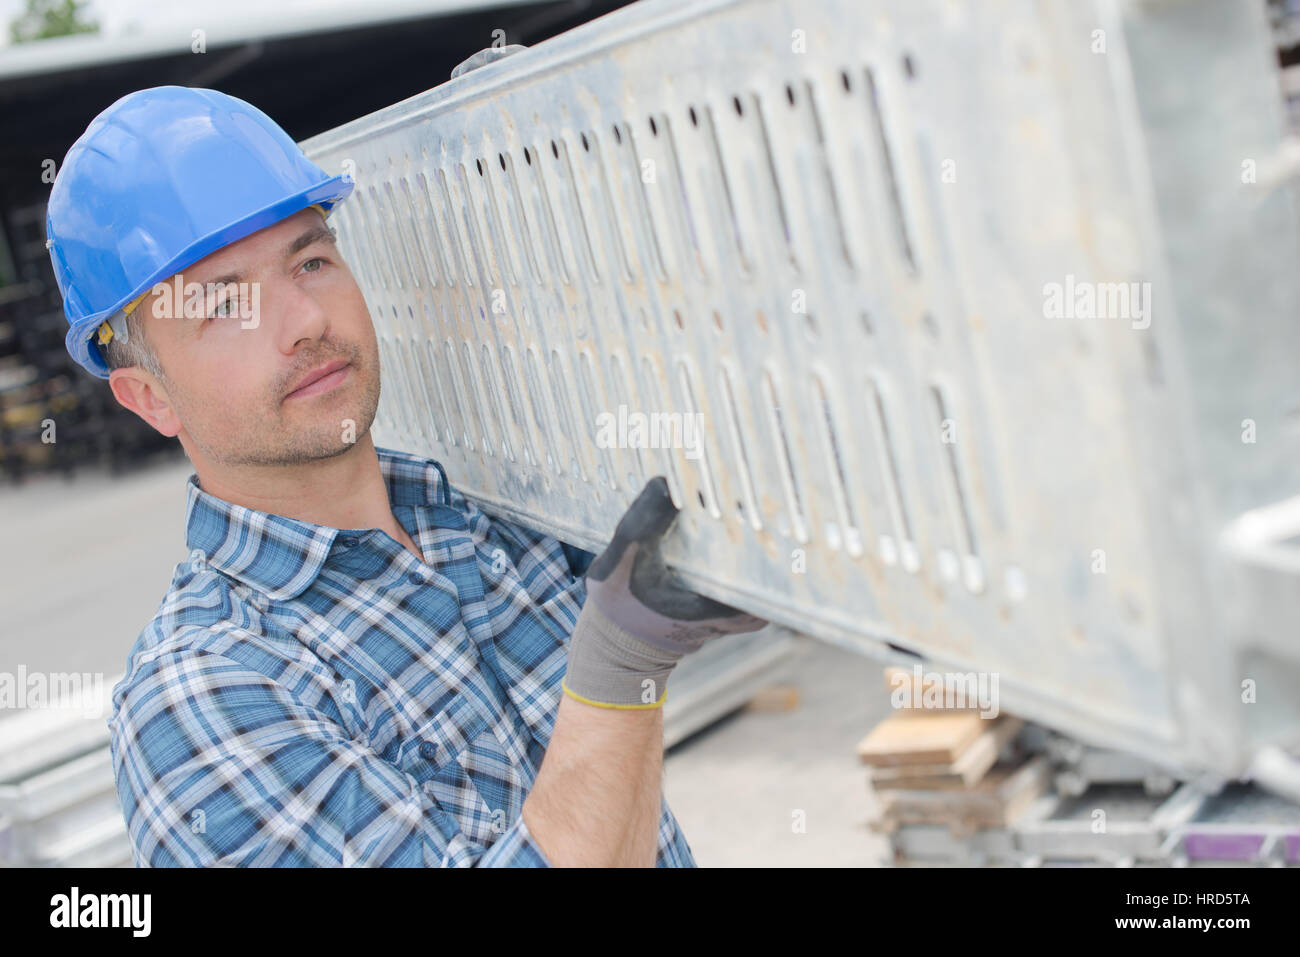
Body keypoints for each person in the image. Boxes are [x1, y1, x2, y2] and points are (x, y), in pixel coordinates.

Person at [45, 85, 765, 867]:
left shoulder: (492, 515)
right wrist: (618, 665)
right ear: (150, 397)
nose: (306, 322)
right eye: (226, 305)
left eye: (312, 260)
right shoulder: (202, 698)